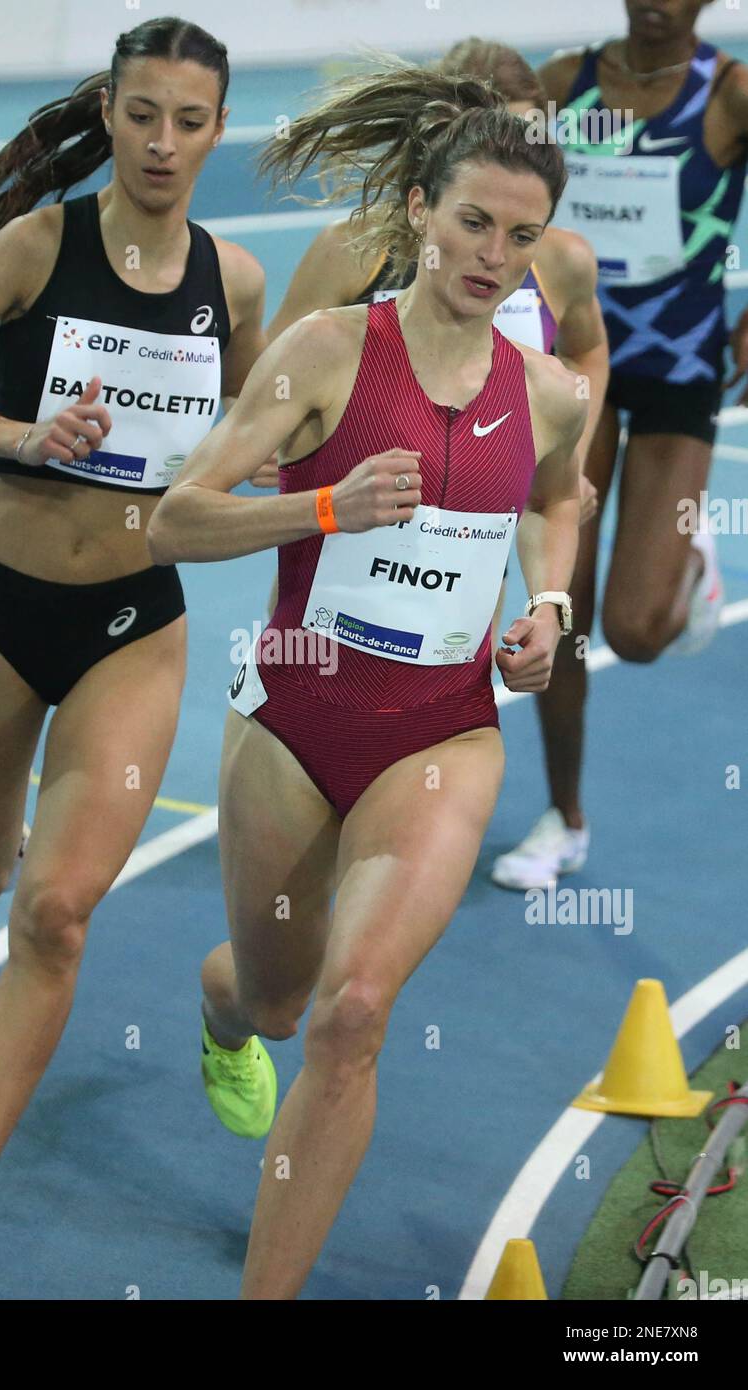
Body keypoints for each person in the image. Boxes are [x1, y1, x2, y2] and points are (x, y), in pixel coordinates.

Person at [149, 61, 586, 1299]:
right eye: (474, 223)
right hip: (293, 715)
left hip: (444, 730)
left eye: (521, 238)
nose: (494, 257)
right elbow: (175, 520)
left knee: (351, 1014)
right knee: (279, 1002)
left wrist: (550, 607)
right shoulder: (328, 352)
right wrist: (326, 507)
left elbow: (558, 501)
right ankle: (226, 1003)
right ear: (418, 209)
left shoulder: (550, 394)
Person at [0, 17, 267, 1299]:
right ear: (110, 112)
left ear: (218, 130)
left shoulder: (237, 282)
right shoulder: (38, 245)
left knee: (54, 913)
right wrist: (16, 436)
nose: (162, 142)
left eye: (188, 121)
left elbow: (267, 429)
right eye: (141, 114)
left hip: (133, 623)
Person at [493, 0, 748, 889]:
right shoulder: (566, 84)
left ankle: (687, 562)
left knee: (635, 632)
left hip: (680, 367)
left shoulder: (728, 93)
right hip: (575, 361)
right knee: (559, 601)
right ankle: (563, 816)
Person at [259, 40, 609, 645]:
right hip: (342, 550)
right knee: (311, 666)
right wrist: (280, 437)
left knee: (456, 659)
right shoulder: (352, 249)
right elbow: (272, 376)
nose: (512, 162)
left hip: (474, 530)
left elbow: (587, 353)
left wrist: (565, 455)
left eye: (528, 139)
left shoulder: (561, 261)